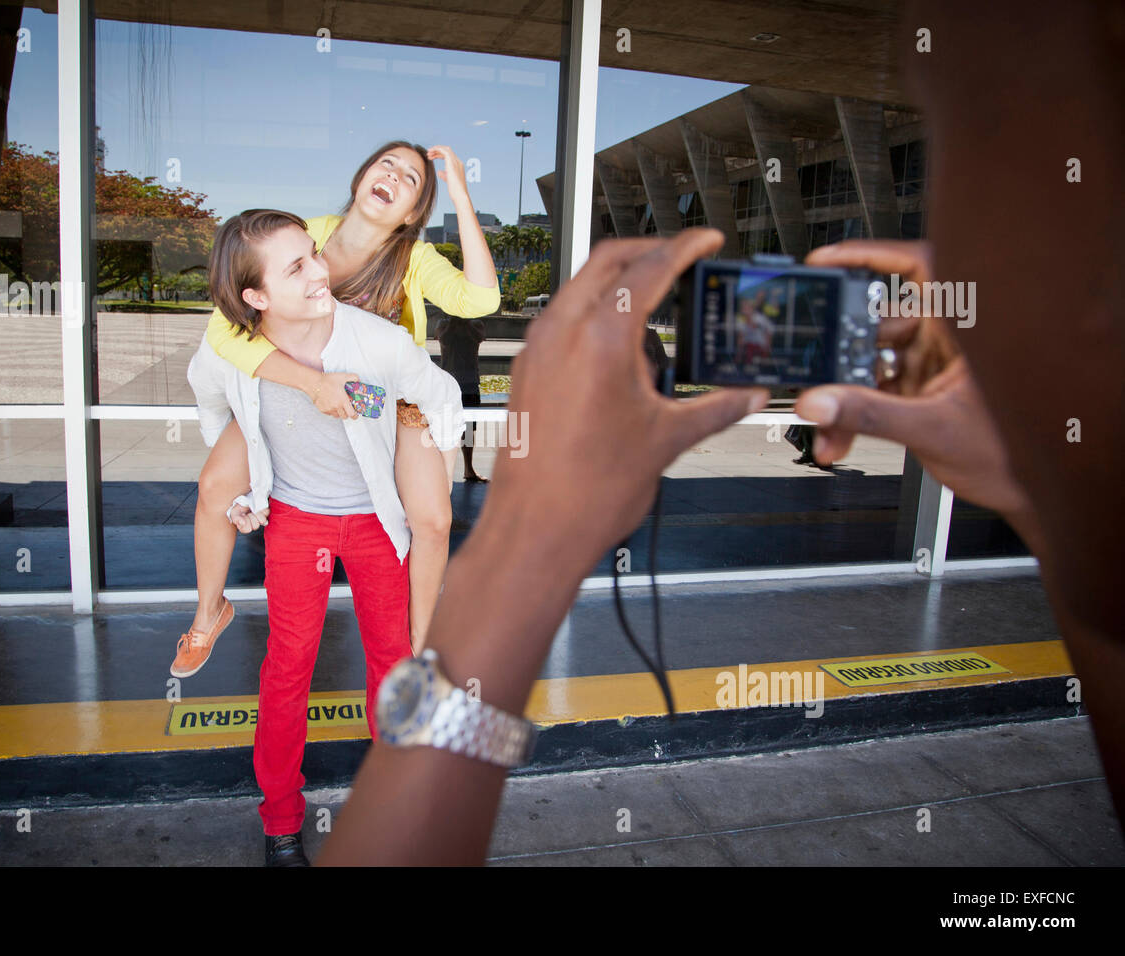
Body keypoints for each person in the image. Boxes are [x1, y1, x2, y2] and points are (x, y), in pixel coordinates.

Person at [315, 0, 1125, 864]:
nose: (947, 227)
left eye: (966, 123)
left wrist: (528, 543)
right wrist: (1054, 499)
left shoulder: (417, 260)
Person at [186, 209, 466, 866]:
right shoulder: (231, 351)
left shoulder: (378, 342)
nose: (320, 270)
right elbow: (214, 407)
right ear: (256, 296)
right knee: (288, 669)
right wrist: (249, 490)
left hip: (375, 522)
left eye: (313, 253)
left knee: (393, 663)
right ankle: (281, 822)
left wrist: (427, 455)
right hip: (296, 523)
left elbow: (441, 395)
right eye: (296, 267)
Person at [172, 141, 498, 678]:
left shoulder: (414, 259)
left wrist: (460, 193)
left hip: (383, 400)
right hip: (292, 391)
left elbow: (482, 300)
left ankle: (419, 644)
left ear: (413, 212)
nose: (394, 176)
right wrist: (309, 382)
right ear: (362, 175)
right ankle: (210, 611)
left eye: (412, 179)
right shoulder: (307, 236)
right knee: (213, 488)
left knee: (434, 519)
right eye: (386, 164)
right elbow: (224, 330)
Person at [435, 310, 487, 482]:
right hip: (449, 382)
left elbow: (478, 337)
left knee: (469, 429)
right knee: (444, 427)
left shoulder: (475, 324)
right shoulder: (444, 325)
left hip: (469, 382)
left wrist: (462, 321)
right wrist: (455, 321)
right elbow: (444, 339)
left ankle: (468, 468)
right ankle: (442, 469)